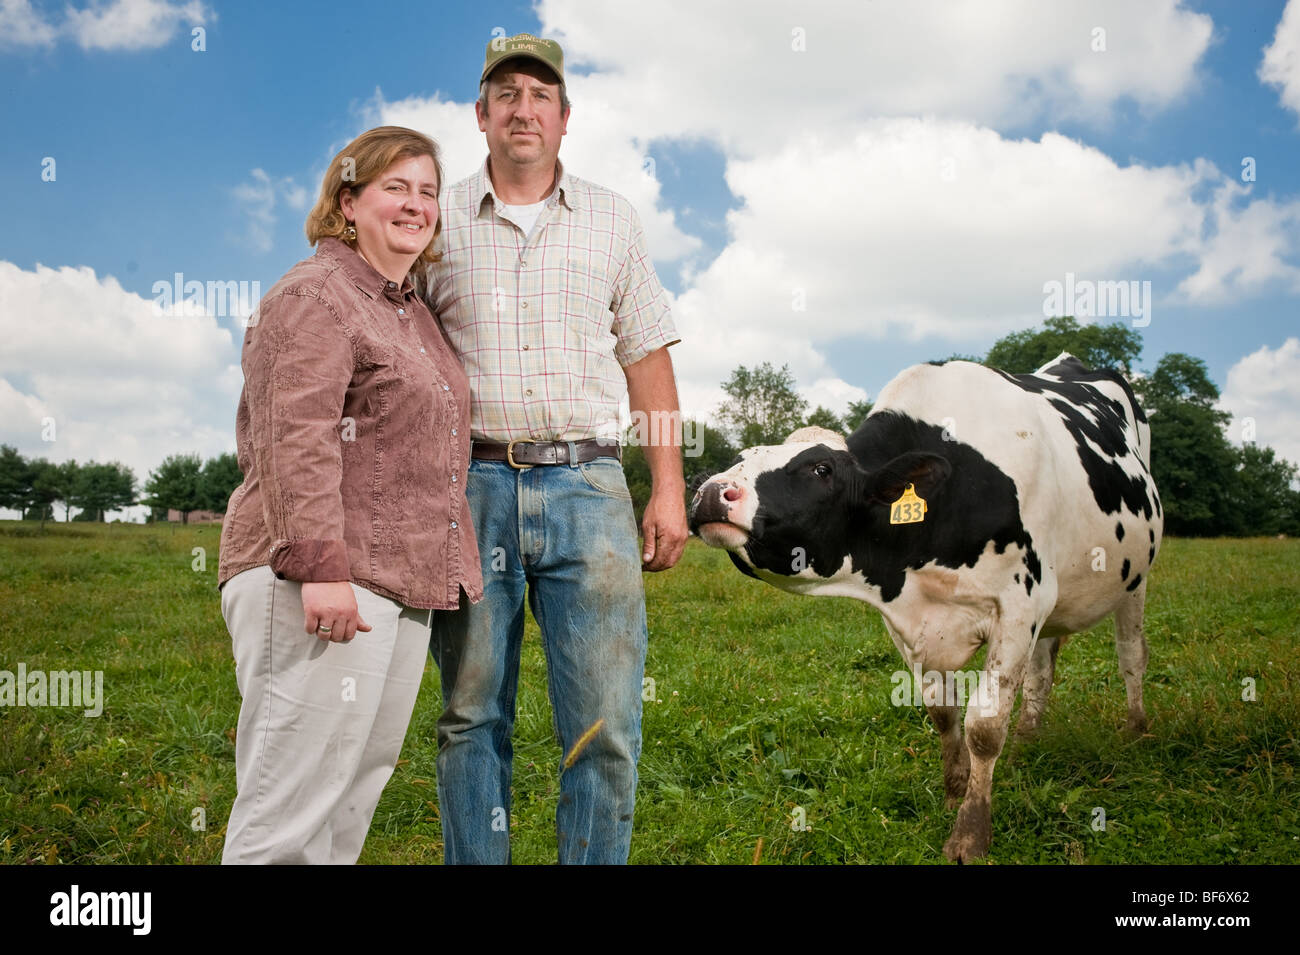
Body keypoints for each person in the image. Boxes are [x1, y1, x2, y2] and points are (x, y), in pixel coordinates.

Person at [423, 32, 688, 865]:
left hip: (589, 485)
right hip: (472, 485)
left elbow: (647, 355)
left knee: (605, 723)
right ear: (481, 115)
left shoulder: (612, 219)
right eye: (506, 94)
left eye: (540, 94)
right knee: (470, 715)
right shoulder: (436, 225)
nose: (523, 107)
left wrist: (668, 487)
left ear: (565, 118)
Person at [217, 126, 482, 864]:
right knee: (288, 813)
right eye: (395, 187)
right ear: (347, 200)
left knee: (348, 800)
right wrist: (320, 567)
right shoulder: (316, 294)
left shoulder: (411, 311)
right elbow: (294, 435)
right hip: (322, 577)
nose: (416, 204)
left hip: (397, 584)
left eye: (428, 191)